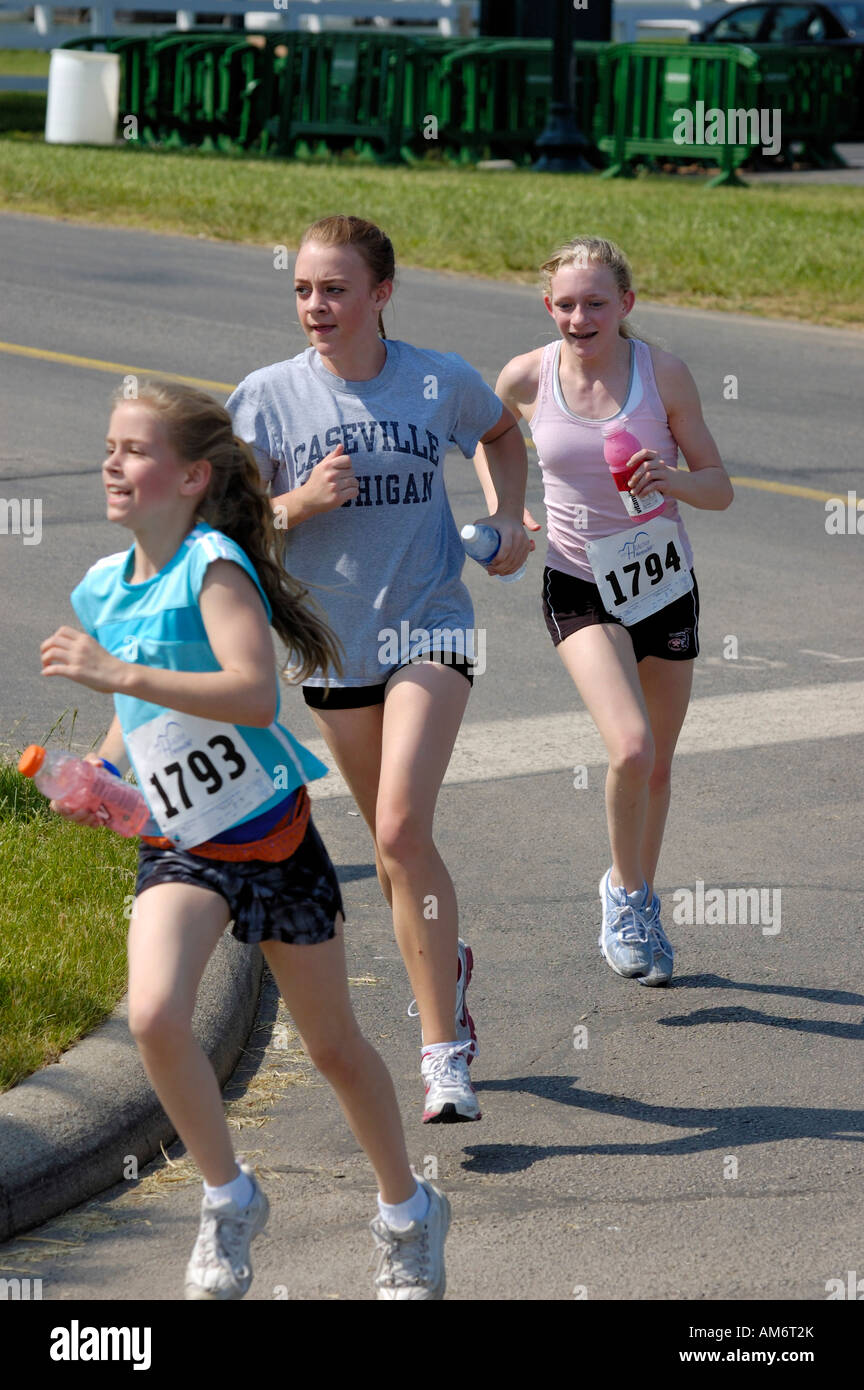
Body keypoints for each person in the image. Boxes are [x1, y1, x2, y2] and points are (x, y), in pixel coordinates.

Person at [39, 379, 451, 1300]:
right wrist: (103, 777)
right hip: (181, 843)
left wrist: (117, 667)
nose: (113, 463)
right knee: (152, 1014)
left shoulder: (214, 564)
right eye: (109, 445)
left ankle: (407, 1211)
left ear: (190, 476)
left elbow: (254, 694)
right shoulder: (103, 586)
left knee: (336, 1046)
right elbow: (134, 715)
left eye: (134, 449)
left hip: (269, 836)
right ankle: (228, 1197)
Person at [226, 214, 530, 1124]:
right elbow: (224, 532)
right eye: (304, 290)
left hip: (430, 627)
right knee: (396, 854)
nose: (316, 306)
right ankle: (449, 962)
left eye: (336, 289)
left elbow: (501, 431)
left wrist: (508, 517)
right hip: (330, 644)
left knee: (400, 829)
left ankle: (444, 1053)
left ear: (381, 294)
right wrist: (297, 501)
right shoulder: (265, 398)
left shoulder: (436, 378)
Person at [473, 236, 733, 986]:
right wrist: (508, 512)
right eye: (564, 304)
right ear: (546, 307)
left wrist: (671, 480)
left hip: (661, 582)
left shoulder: (664, 376)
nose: (579, 317)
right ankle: (622, 897)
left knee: (656, 766)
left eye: (595, 303)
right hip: (579, 582)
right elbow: (495, 443)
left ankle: (641, 897)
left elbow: (719, 486)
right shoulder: (526, 376)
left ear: (625, 304)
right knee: (629, 747)